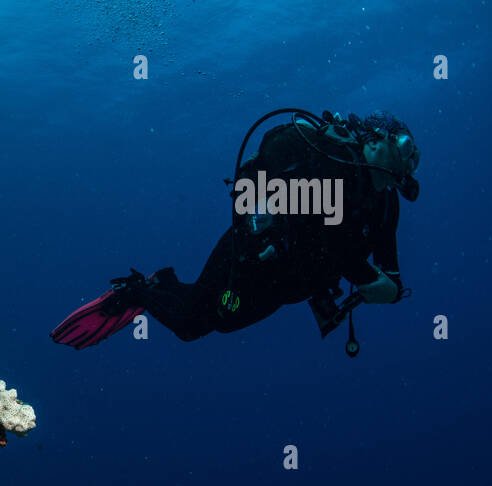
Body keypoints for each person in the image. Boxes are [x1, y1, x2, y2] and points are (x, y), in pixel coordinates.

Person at [50, 108, 420, 352]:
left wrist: (391, 289)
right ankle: (138, 291)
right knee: (192, 324)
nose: (409, 162)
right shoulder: (331, 161)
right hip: (249, 261)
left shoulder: (387, 205)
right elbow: (330, 240)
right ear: (373, 140)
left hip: (287, 285)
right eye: (404, 147)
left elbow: (391, 273)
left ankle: (163, 282)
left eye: (414, 157)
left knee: (219, 322)